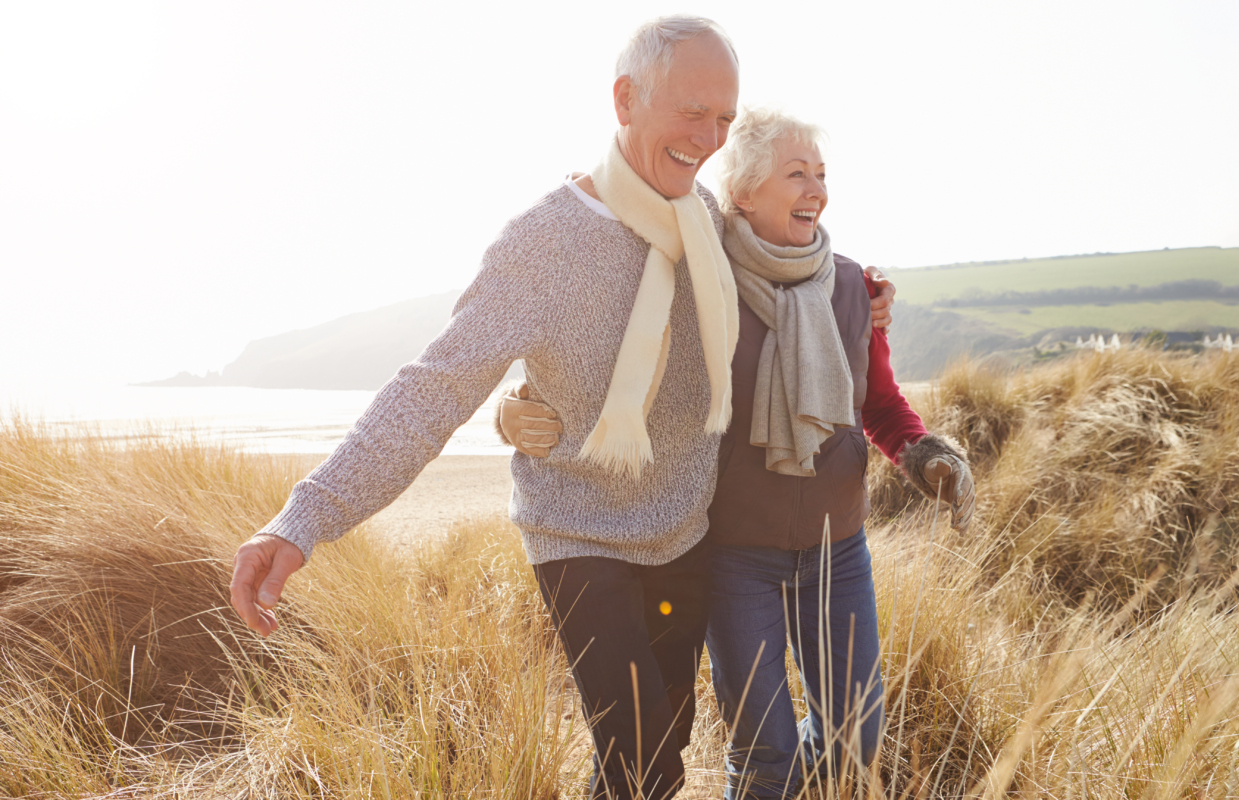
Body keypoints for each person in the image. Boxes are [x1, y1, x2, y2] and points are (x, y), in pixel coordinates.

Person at [227, 17, 895, 800]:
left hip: (683, 530)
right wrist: (303, 517)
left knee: (649, 764)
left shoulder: (709, 225)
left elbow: (794, 274)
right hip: (577, 532)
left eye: (723, 117)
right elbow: (434, 385)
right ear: (625, 100)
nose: (709, 138)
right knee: (643, 751)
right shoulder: (542, 244)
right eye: (691, 112)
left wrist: (866, 296)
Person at [498, 108, 975, 800]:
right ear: (743, 193)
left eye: (820, 174)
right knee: (764, 754)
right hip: (732, 557)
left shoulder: (849, 287)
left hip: (836, 551)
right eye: (795, 173)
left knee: (853, 738)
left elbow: (876, 405)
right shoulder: (695, 282)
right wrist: (516, 408)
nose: (816, 188)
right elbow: (608, 367)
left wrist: (925, 452)